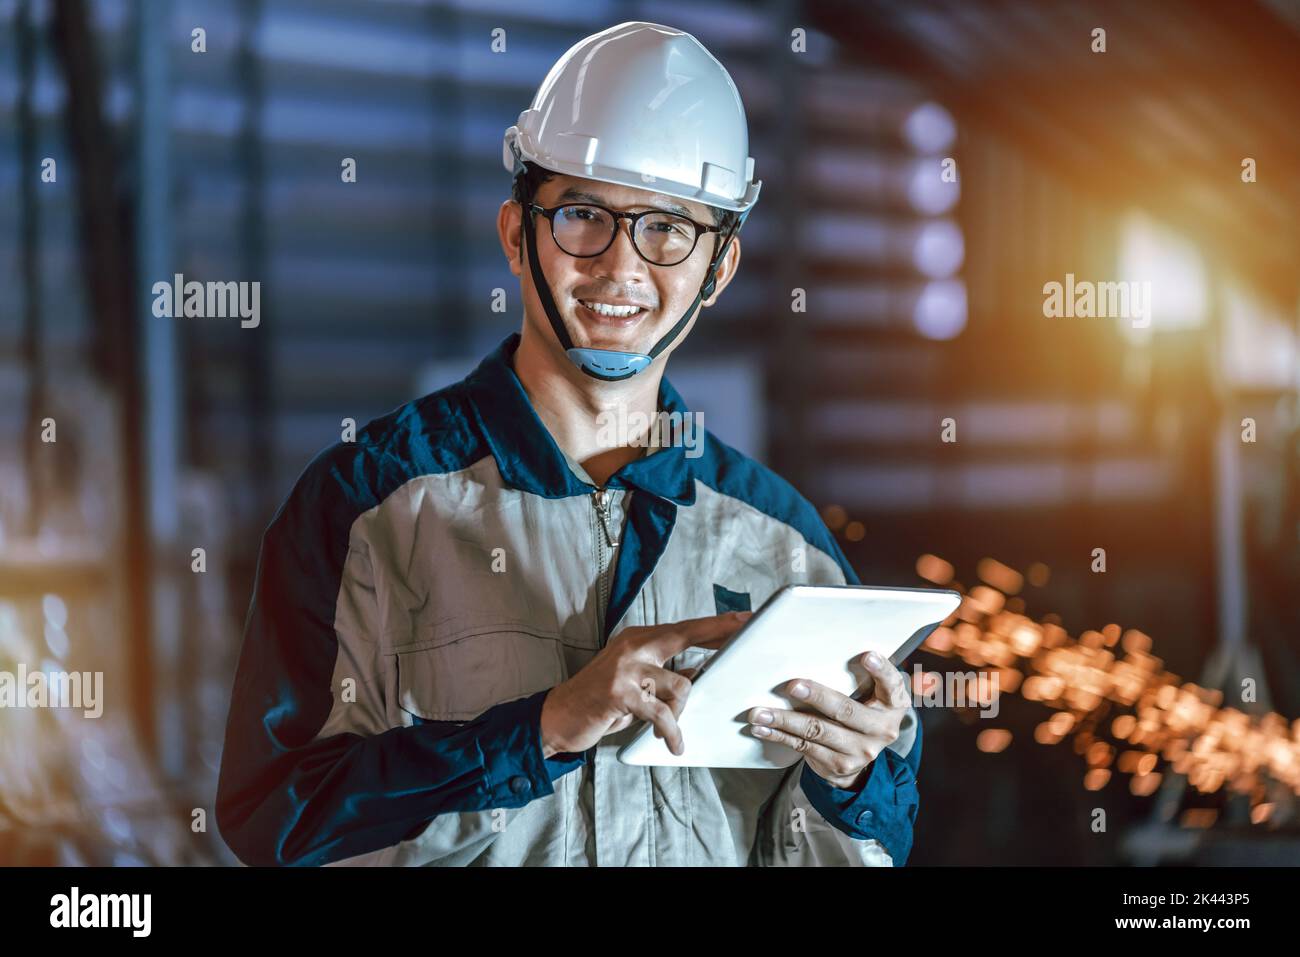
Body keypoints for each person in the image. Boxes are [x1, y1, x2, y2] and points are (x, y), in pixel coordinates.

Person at [215, 20, 921, 867]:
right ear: (518, 234)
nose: (622, 266)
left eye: (668, 228)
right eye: (584, 216)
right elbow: (275, 820)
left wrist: (850, 783)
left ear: (719, 268)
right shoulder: (365, 509)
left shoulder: (785, 546)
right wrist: (543, 728)